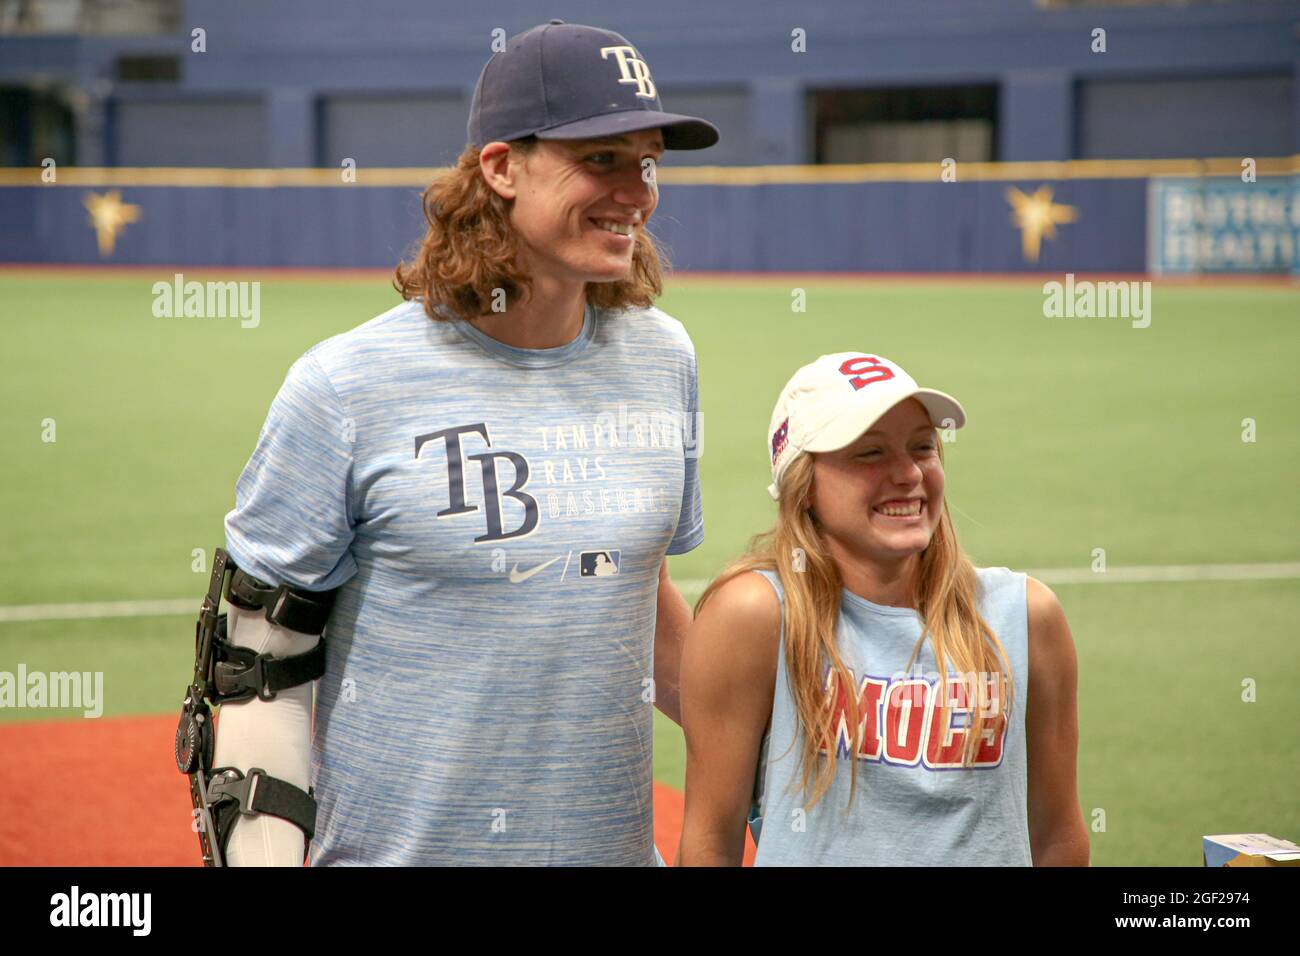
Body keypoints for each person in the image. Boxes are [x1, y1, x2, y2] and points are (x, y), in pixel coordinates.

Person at [212, 20, 719, 865]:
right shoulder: (346, 384)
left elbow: (642, 593)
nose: (638, 190)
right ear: (501, 166)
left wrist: (791, 754)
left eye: (648, 160)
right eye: (601, 159)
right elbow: (259, 661)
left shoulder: (664, 359)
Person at [676, 353, 1090, 866]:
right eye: (870, 453)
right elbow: (711, 842)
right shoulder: (755, 616)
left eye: (923, 447)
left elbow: (1057, 837)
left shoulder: (1025, 618)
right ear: (803, 486)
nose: (909, 473)